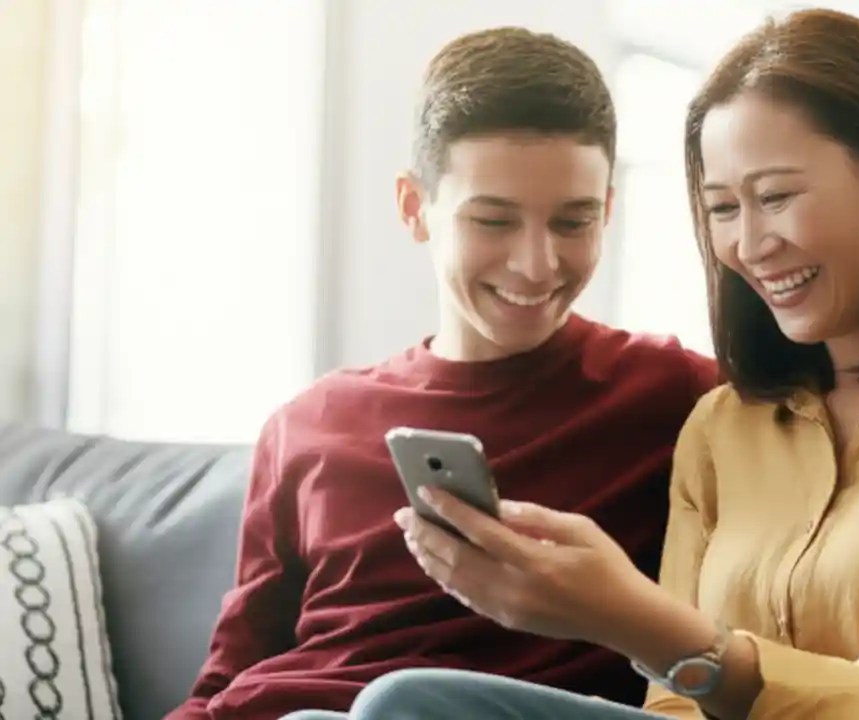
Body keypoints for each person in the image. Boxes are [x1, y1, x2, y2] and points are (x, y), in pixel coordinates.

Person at [313, 7, 859, 720]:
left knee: (403, 708)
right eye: (721, 208)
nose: (750, 244)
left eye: (777, 196)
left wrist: (634, 619)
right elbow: (676, 708)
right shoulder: (725, 421)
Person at [167, 27, 718, 720]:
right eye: (493, 221)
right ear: (413, 208)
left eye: (573, 223)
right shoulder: (307, 425)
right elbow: (227, 680)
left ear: (608, 211)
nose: (537, 264)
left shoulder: (676, 398)